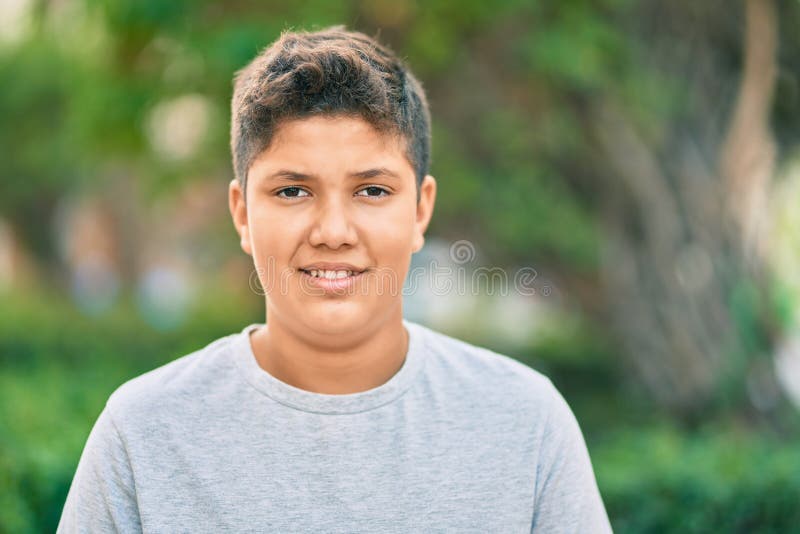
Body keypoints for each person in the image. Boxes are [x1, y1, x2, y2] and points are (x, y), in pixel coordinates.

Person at [57, 25, 612, 533]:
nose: (333, 231)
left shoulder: (524, 423)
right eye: (292, 191)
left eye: (372, 190)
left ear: (420, 211)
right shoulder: (144, 434)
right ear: (242, 215)